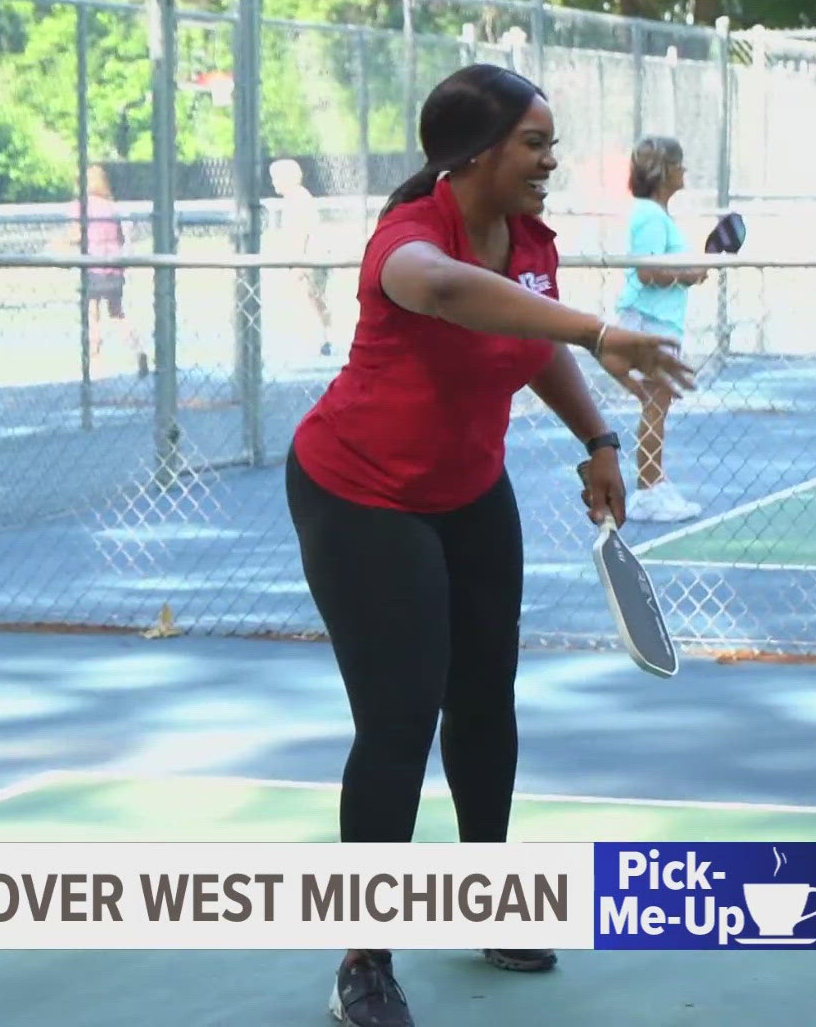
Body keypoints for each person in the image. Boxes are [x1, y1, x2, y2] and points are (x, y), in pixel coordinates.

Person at [284, 64, 693, 1027]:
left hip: (468, 491)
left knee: (484, 702)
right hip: (361, 495)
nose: (550, 161)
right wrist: (600, 329)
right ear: (474, 154)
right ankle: (364, 960)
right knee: (397, 722)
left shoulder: (529, 241)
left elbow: (529, 338)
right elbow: (456, 296)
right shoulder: (409, 237)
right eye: (534, 144)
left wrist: (595, 438)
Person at [615, 135, 708, 522]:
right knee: (656, 405)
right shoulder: (650, 216)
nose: (685, 170)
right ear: (665, 170)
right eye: (680, 163)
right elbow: (648, 269)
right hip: (648, 321)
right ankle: (649, 490)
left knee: (658, 404)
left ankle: (654, 481)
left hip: (658, 320)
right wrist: (689, 275)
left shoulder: (655, 215)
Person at [53, 164, 146, 379]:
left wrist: (59, 243)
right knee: (117, 312)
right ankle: (137, 349)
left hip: (92, 266)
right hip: (114, 266)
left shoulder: (80, 207)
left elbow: (77, 234)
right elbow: (122, 237)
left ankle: (94, 360)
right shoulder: (112, 207)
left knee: (92, 314)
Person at [269, 157, 333, 356]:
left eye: (275, 178)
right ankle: (322, 337)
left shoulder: (297, 198)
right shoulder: (296, 197)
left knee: (313, 298)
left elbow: (300, 232)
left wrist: (297, 263)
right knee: (312, 298)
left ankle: (323, 338)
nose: (273, 182)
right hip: (310, 256)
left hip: (310, 257)